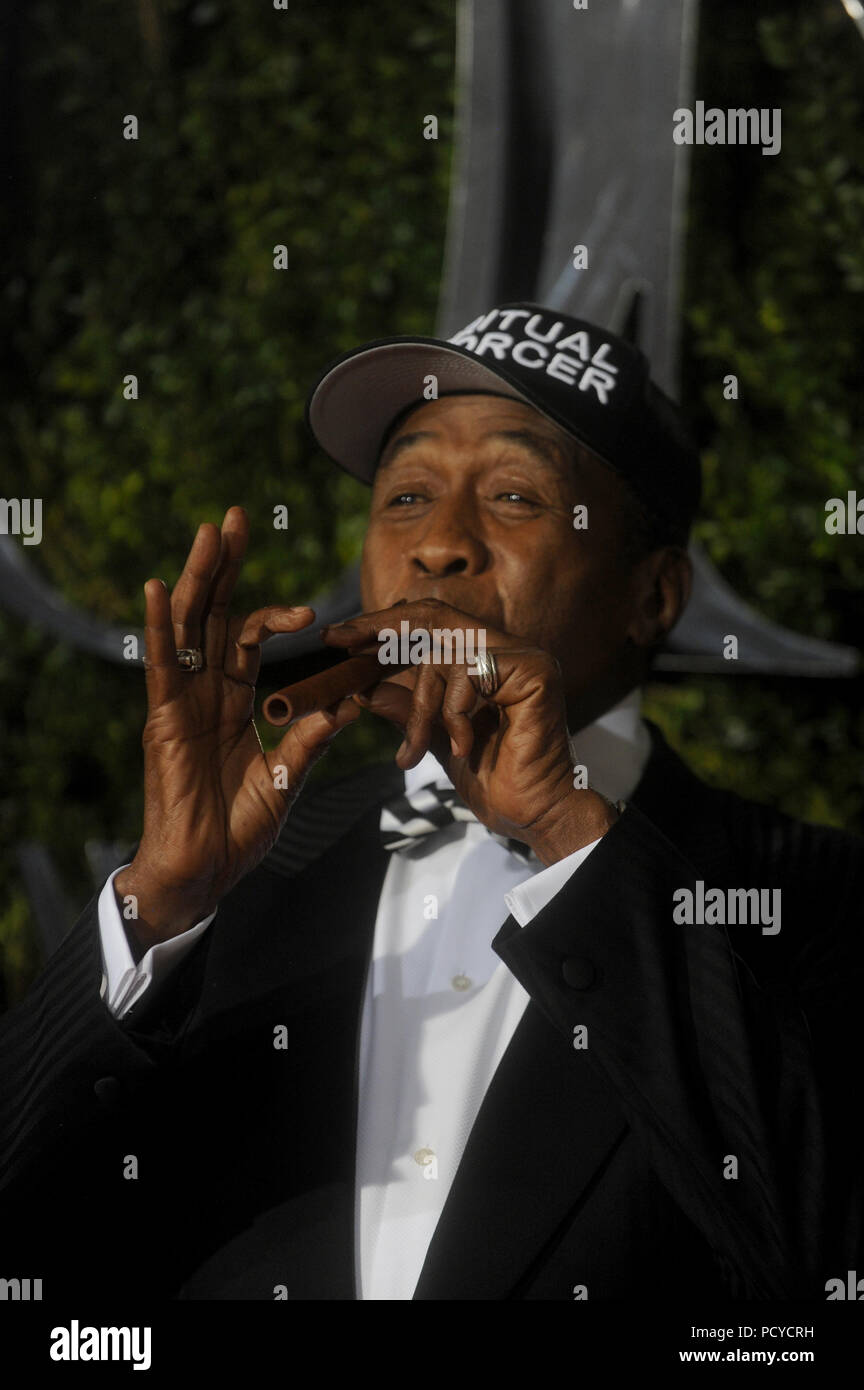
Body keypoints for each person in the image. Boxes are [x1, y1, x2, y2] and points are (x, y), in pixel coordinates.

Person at [1, 304, 861, 1302]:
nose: (440, 546)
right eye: (406, 494)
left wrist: (572, 836)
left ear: (654, 597)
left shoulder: (813, 893)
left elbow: (819, 1255)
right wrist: (156, 903)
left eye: (514, 494)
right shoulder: (236, 881)